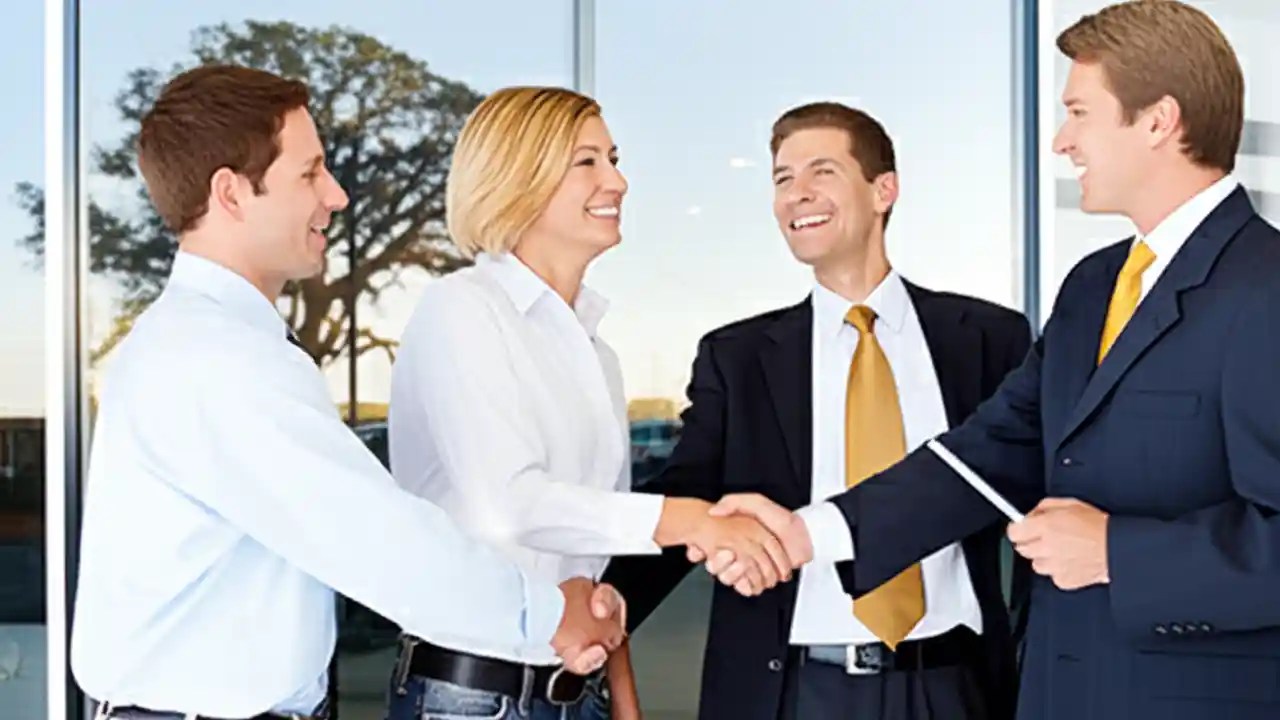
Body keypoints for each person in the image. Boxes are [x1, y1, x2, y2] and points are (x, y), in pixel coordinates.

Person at [708, 2, 1280, 719]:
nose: (1062, 141)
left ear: (1158, 121)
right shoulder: (1093, 287)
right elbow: (987, 452)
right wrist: (807, 533)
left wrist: (1116, 553)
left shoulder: (1267, 288)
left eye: (1078, 112)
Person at [71, 65, 626, 720]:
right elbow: (375, 537)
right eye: (309, 174)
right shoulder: (217, 360)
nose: (334, 196)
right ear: (231, 194)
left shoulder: (212, 346)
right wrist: (547, 614)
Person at [599, 102, 1032, 720]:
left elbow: (1027, 485)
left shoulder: (989, 339)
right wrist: (610, 601)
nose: (795, 195)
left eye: (820, 172)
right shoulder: (738, 357)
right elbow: (687, 496)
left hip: (954, 686)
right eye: (781, 179)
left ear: (884, 189)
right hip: (796, 691)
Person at [385, 86, 796, 720]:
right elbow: (506, 505)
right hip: (470, 700)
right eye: (588, 161)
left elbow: (591, 562)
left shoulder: (595, 351)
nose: (619, 180)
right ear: (517, 177)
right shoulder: (462, 309)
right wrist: (693, 520)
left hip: (578, 695)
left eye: (614, 157)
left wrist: (622, 699)